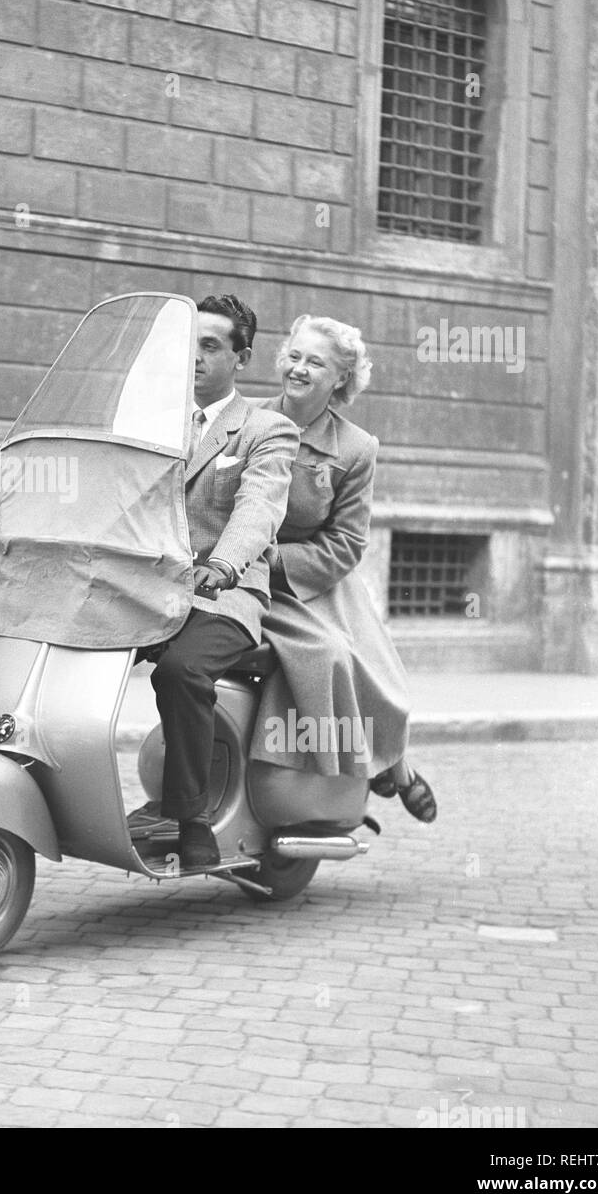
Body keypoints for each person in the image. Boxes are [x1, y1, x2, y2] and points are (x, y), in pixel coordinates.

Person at [127, 296, 299, 869]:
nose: (194, 357)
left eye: (210, 345)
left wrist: (223, 566)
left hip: (223, 595)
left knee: (181, 670)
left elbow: (259, 506)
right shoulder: (150, 421)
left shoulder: (266, 429)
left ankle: (190, 816)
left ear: (240, 357)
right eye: (188, 343)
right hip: (146, 589)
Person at [252, 314, 436, 822]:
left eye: (316, 363)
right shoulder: (244, 420)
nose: (299, 369)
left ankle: (389, 767)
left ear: (340, 380)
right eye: (294, 355)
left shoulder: (356, 448)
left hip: (312, 579)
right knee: (325, 659)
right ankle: (380, 768)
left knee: (356, 663)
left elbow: (348, 542)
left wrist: (276, 562)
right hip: (237, 573)